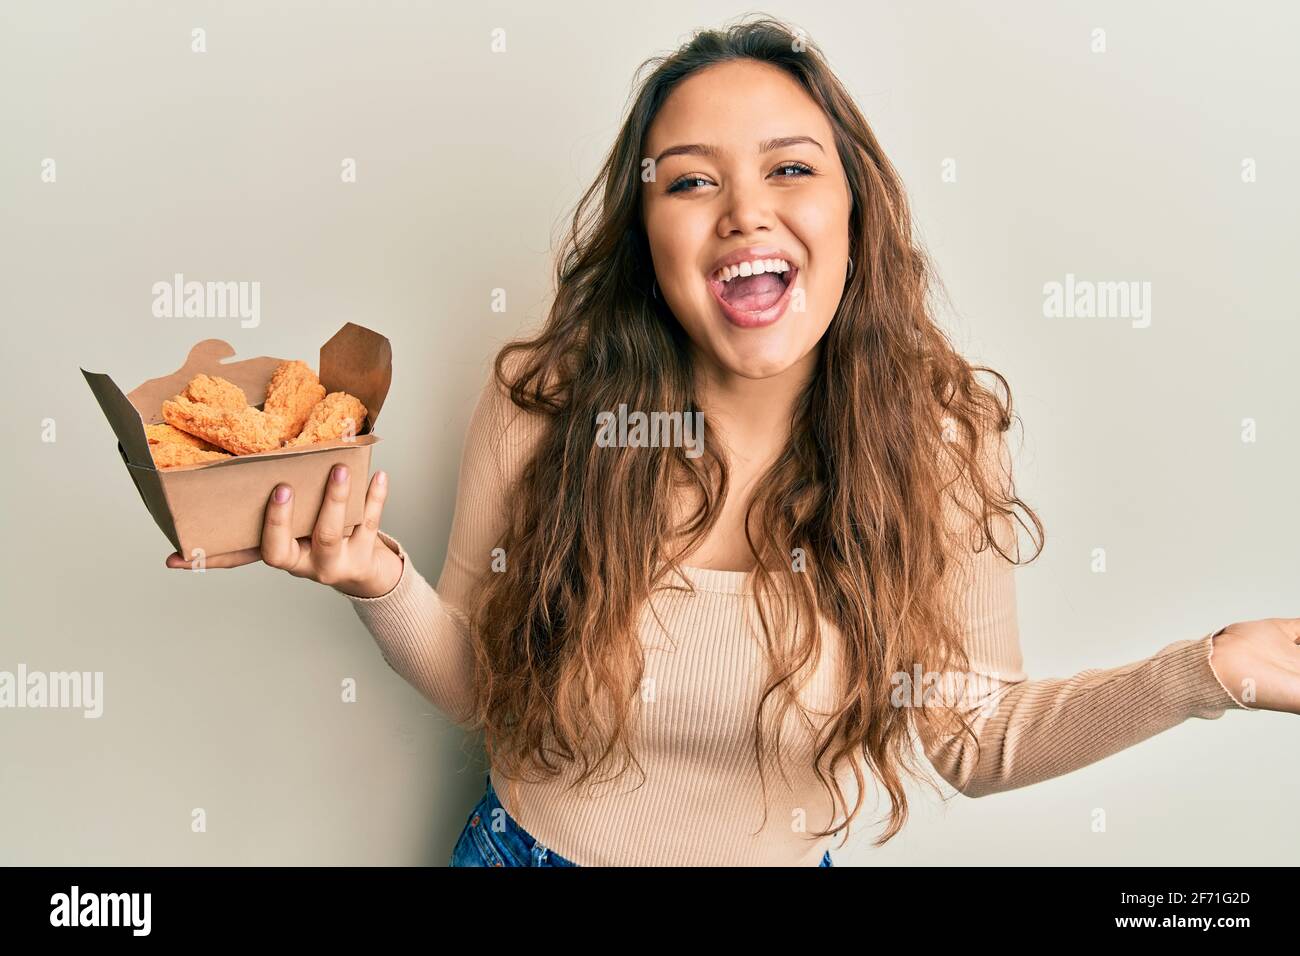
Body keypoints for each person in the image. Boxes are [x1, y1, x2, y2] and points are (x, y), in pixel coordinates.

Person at [166, 16, 1297, 867]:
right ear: (647, 235)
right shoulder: (546, 403)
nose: (743, 208)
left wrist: (1206, 673)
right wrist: (378, 580)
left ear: (854, 209)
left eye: (790, 167)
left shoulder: (939, 443)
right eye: (691, 180)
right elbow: (482, 685)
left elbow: (975, 733)